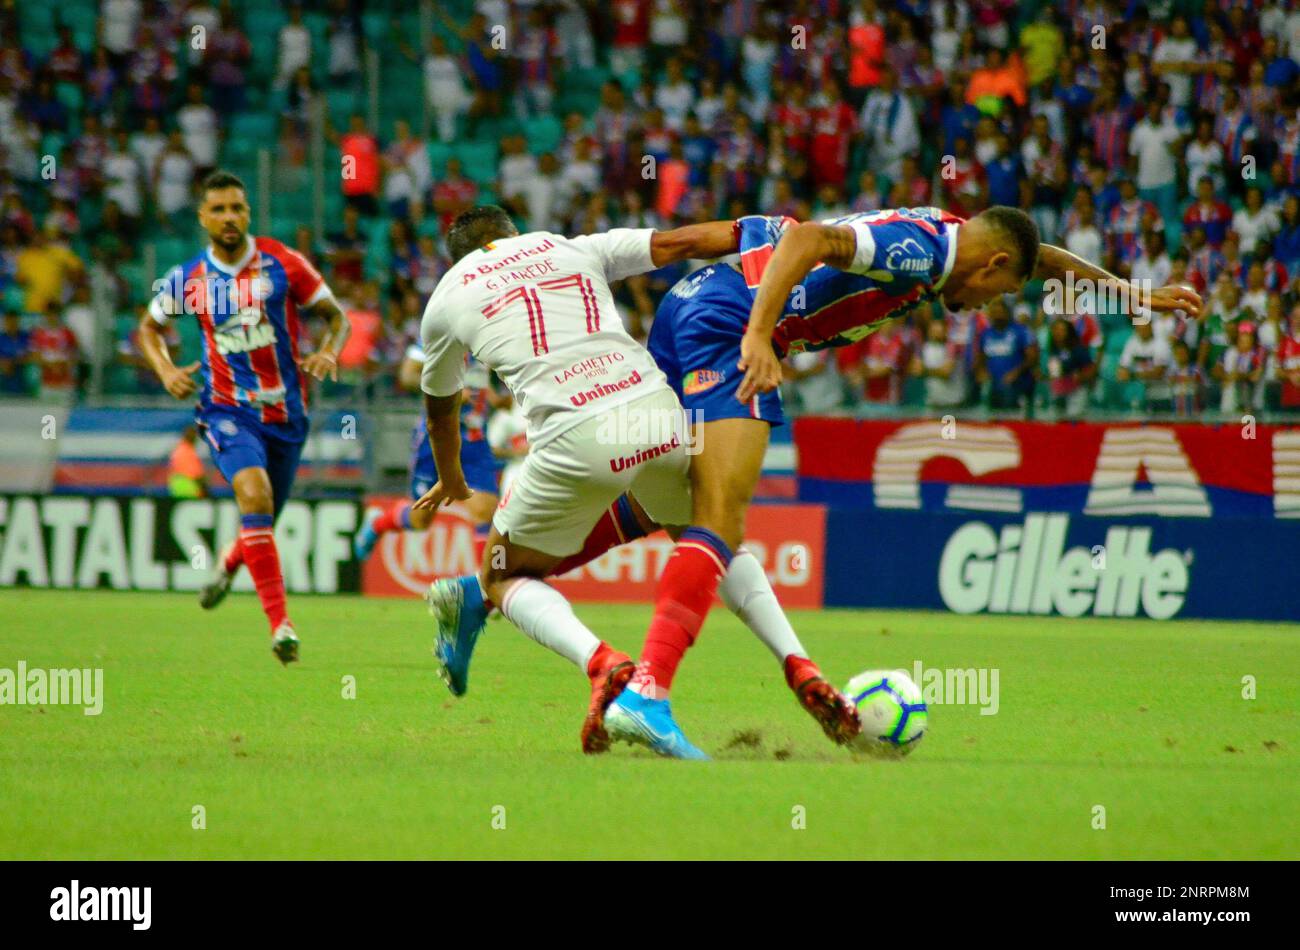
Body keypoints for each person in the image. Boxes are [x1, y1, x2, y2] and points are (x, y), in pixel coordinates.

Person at [414, 205, 745, 759]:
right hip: (660, 418)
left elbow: (441, 408)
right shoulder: (568, 246)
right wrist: (756, 233)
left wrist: (452, 480)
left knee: (500, 574)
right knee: (709, 542)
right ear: (514, 236)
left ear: (461, 257)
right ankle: (797, 671)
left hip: (577, 438)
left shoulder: (448, 295)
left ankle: (602, 663)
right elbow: (676, 243)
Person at [139, 171, 350, 664]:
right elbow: (149, 330)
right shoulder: (189, 278)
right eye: (219, 209)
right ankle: (281, 626)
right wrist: (166, 369)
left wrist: (328, 353)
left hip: (287, 412)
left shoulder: (282, 262)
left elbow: (335, 316)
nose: (229, 217)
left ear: (248, 212)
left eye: (237, 207)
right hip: (226, 409)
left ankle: (229, 565)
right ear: (202, 217)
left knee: (265, 517)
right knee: (255, 496)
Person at [353, 347, 507, 561]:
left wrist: (495, 398)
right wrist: (447, 392)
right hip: (436, 436)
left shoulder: (485, 334)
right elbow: (408, 376)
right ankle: (378, 523)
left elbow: (478, 378)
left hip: (474, 440)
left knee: (485, 511)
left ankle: (486, 586)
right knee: (420, 520)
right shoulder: (438, 331)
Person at [168, 425, 207, 497]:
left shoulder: (177, 450)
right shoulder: (189, 452)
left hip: (175, 488)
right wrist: (205, 490)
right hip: (190, 488)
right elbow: (197, 474)